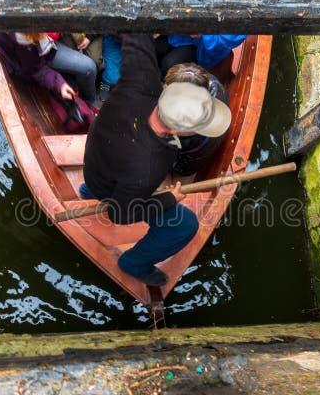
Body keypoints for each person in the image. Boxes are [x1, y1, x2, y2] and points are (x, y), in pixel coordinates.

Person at [81, 34, 232, 286]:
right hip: (116, 188)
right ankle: (133, 263)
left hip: (95, 167)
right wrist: (168, 199)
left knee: (105, 178)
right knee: (185, 225)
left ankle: (89, 191)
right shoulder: (147, 167)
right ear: (175, 131)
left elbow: (135, 32)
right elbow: (120, 214)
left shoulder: (141, 79)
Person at [0, 32, 99, 107]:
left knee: (89, 67)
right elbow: (36, 70)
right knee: (89, 68)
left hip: (46, 44)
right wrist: (59, 84)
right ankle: (88, 101)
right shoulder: (24, 44)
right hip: (40, 57)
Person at [158, 34, 248, 83]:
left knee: (169, 66)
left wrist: (203, 32)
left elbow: (220, 44)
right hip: (175, 34)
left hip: (201, 50)